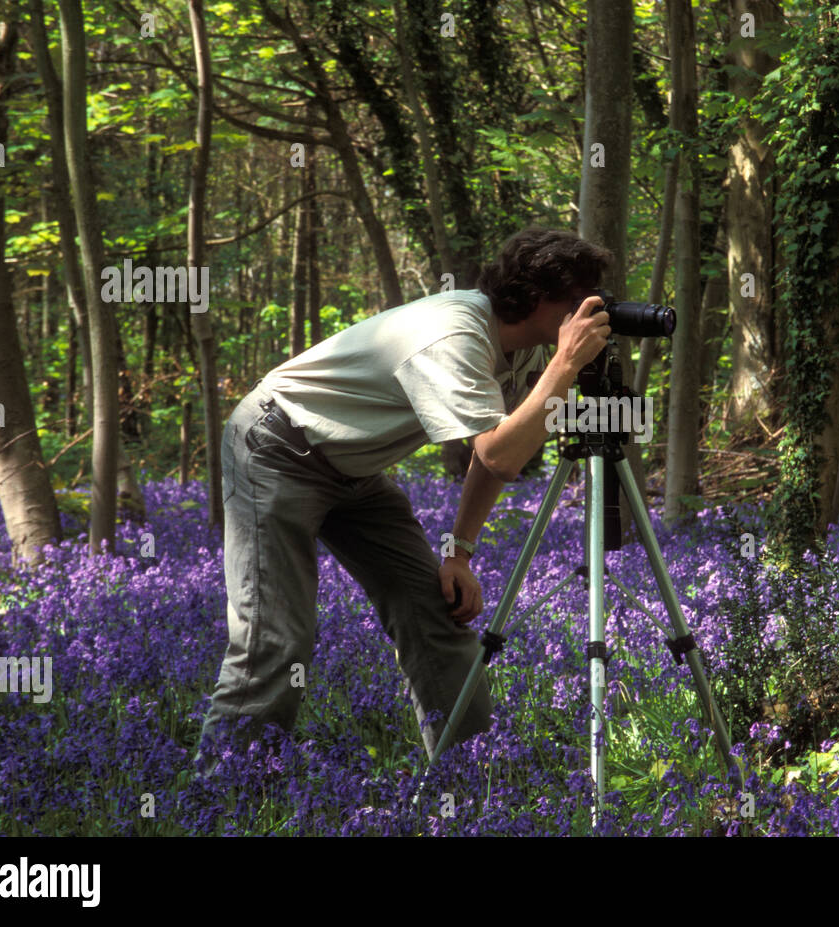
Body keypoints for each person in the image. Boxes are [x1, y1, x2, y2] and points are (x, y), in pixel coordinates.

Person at [195, 228, 614, 770]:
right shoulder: (455, 338)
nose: (589, 311)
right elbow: (501, 454)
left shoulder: (529, 353)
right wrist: (564, 366)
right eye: (579, 298)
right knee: (276, 640)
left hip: (353, 470)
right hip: (277, 447)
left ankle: (475, 783)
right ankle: (222, 790)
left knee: (436, 610)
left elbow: (490, 458)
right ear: (537, 298)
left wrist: (458, 554)